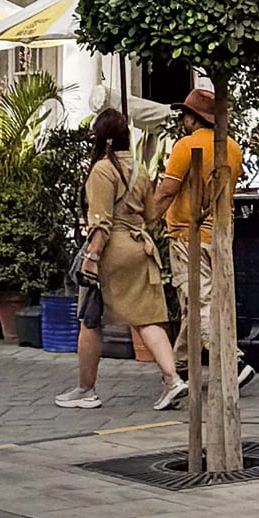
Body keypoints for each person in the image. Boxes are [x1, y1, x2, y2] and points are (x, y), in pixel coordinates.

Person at [56, 109, 185, 412]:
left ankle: (86, 389)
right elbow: (152, 214)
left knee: (90, 319)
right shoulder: (139, 168)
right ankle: (172, 379)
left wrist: (91, 257)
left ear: (102, 138)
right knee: (147, 318)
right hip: (141, 248)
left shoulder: (103, 170)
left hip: (112, 250)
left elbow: (101, 222)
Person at [148, 77, 255, 390]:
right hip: (221, 233)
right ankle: (180, 364)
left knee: (198, 301)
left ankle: (233, 361)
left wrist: (147, 219)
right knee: (198, 302)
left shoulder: (186, 146)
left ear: (194, 118)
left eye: (185, 114)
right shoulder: (232, 147)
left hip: (187, 233)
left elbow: (167, 190)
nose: (183, 120)